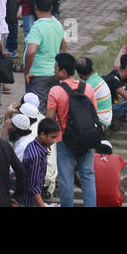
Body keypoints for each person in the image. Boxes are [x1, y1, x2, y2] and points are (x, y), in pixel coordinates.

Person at [45, 52, 98, 206]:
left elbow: (49, 120)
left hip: (64, 140)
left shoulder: (55, 91)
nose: (54, 72)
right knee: (87, 175)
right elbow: (94, 114)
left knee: (66, 179)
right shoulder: (87, 88)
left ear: (63, 72)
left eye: (56, 69)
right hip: (87, 138)